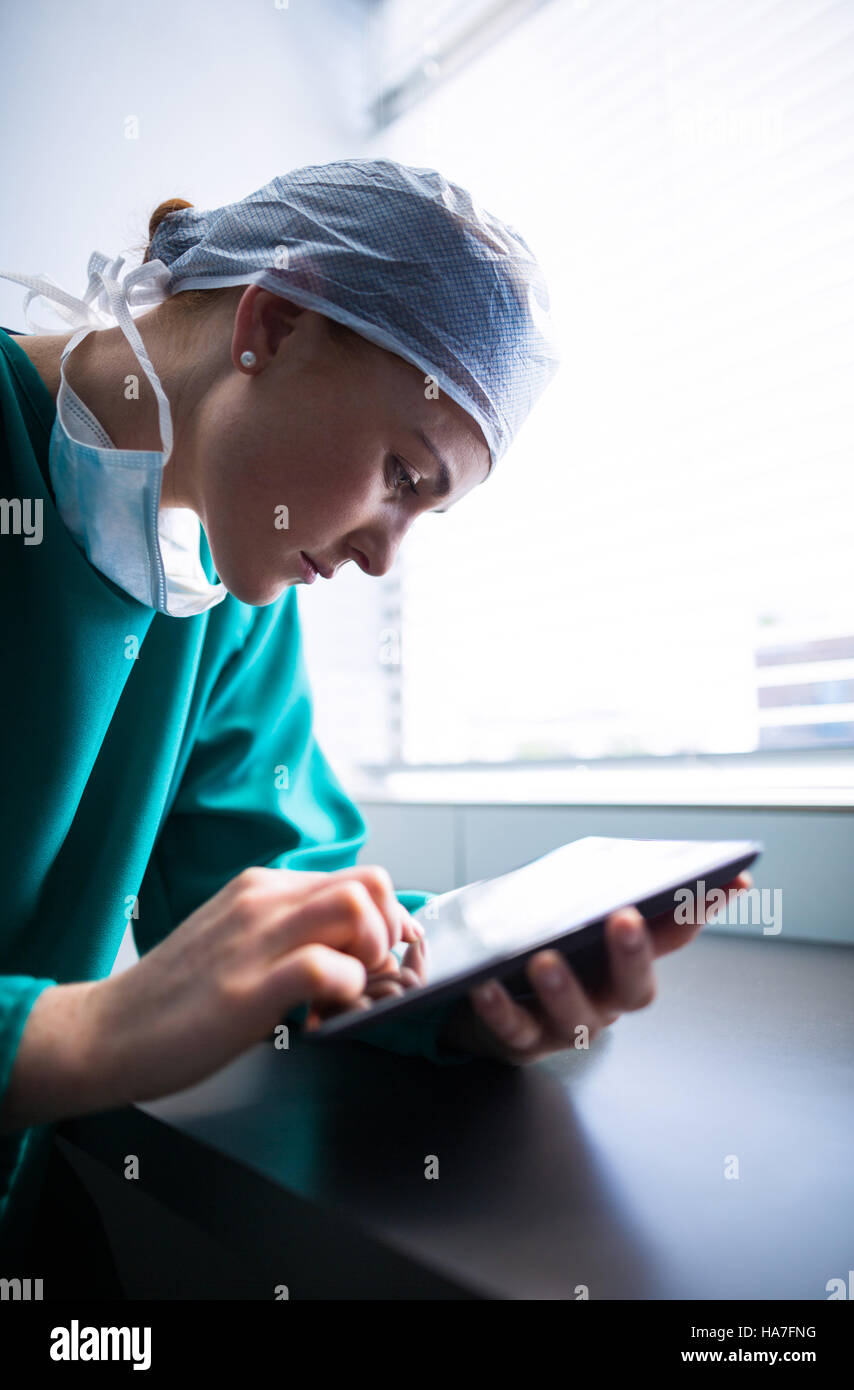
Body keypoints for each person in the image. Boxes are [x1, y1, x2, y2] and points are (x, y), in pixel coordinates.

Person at [0, 158, 748, 1293]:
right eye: (401, 471)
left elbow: (261, 890)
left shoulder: (222, 594)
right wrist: (79, 1034)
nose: (382, 554)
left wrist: (453, 994)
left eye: (427, 510)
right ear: (275, 321)